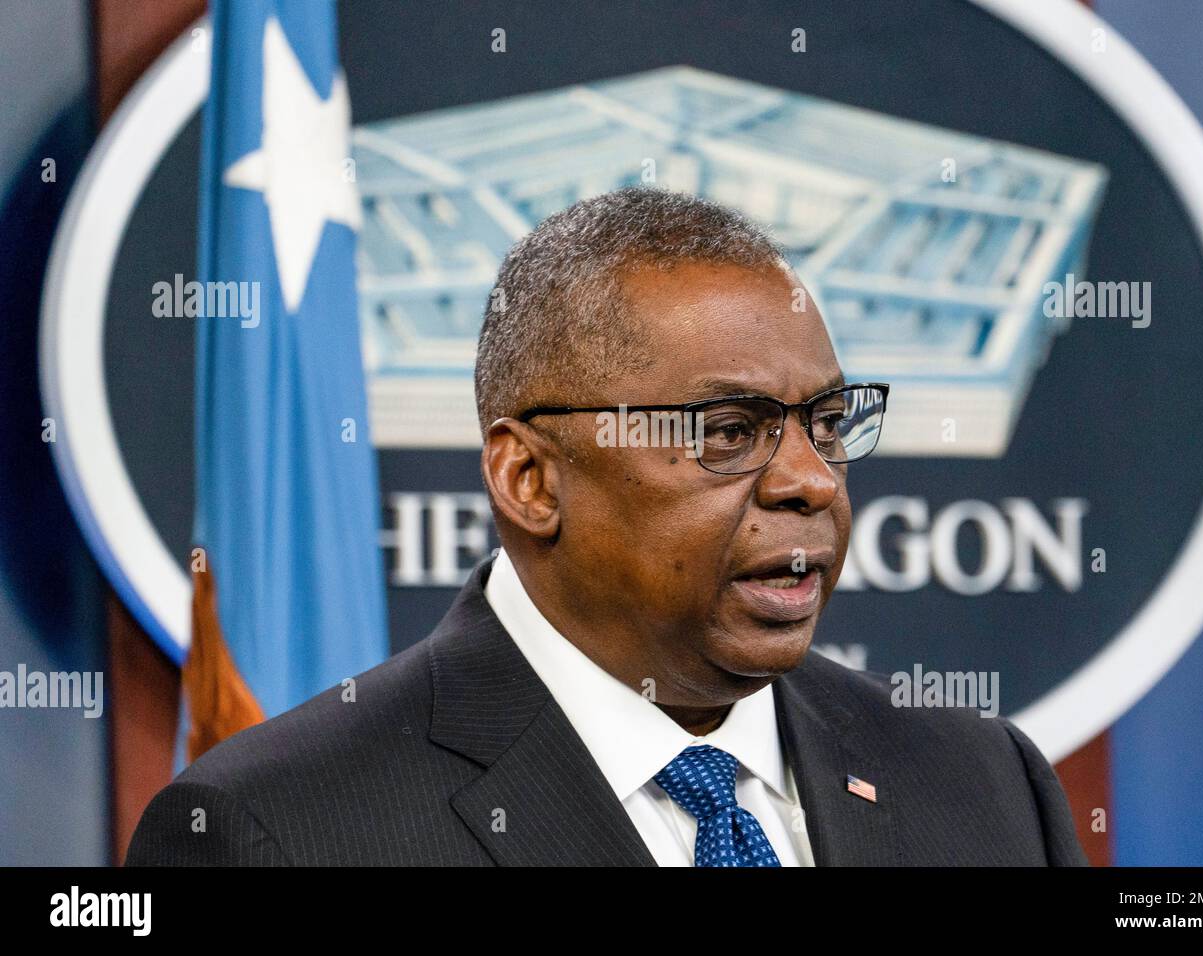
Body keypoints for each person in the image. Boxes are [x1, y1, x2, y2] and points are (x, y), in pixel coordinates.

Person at [127, 186, 1087, 866]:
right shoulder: (276, 831)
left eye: (828, 425)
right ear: (530, 478)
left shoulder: (983, 784)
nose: (811, 482)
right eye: (730, 431)